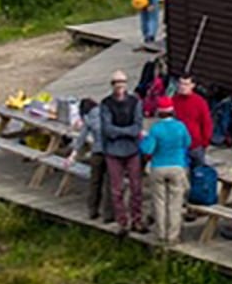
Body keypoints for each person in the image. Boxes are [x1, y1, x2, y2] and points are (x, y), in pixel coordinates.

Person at [95, 70, 145, 235]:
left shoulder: (135, 102)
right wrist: (127, 131)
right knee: (117, 189)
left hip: (132, 150)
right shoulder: (106, 104)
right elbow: (107, 129)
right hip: (113, 151)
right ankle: (122, 222)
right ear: (112, 84)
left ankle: (137, 219)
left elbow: (138, 126)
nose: (119, 85)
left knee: (136, 187)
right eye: (116, 82)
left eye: (122, 82)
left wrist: (120, 132)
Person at [139, 96, 193, 244]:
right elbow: (188, 142)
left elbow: (147, 149)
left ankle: (161, 233)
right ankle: (173, 235)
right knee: (175, 202)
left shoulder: (155, 129)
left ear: (159, 112)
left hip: (158, 166)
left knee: (159, 202)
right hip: (177, 166)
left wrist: (143, 138)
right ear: (172, 111)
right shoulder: (180, 126)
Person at [171, 73, 213, 162]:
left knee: (198, 171)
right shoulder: (174, 100)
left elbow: (206, 123)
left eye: (186, 84)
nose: (182, 87)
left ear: (192, 85)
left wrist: (205, 142)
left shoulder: (200, 102)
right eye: (181, 83)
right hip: (178, 144)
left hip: (196, 145)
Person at [76, 97, 106, 221]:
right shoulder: (106, 112)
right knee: (111, 183)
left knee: (95, 182)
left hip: (97, 152)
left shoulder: (88, 119)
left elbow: (81, 138)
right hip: (112, 152)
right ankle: (110, 213)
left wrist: (74, 154)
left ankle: (92, 210)